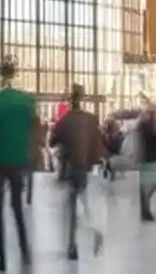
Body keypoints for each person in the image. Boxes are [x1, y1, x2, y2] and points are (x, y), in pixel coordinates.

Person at [0, 57, 37, 272]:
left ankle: (0, 258)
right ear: (15, 73)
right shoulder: (27, 101)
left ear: (0, 73)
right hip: (19, 159)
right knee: (17, 207)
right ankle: (25, 251)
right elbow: (32, 127)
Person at [49, 84, 105, 261]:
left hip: (71, 167)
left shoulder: (65, 121)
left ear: (69, 100)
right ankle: (90, 233)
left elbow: (52, 141)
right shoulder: (91, 119)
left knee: (72, 207)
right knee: (82, 202)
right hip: (86, 167)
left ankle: (73, 245)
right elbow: (98, 143)